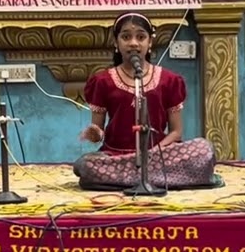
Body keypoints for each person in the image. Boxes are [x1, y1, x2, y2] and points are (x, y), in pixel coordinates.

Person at [77, 13, 186, 156]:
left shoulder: (170, 80)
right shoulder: (102, 81)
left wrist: (153, 152)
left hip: (158, 155)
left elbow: (176, 132)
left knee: (203, 149)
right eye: (126, 37)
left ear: (150, 42)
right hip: (116, 157)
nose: (133, 43)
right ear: (116, 42)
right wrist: (94, 134)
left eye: (141, 37)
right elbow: (98, 132)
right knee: (85, 165)